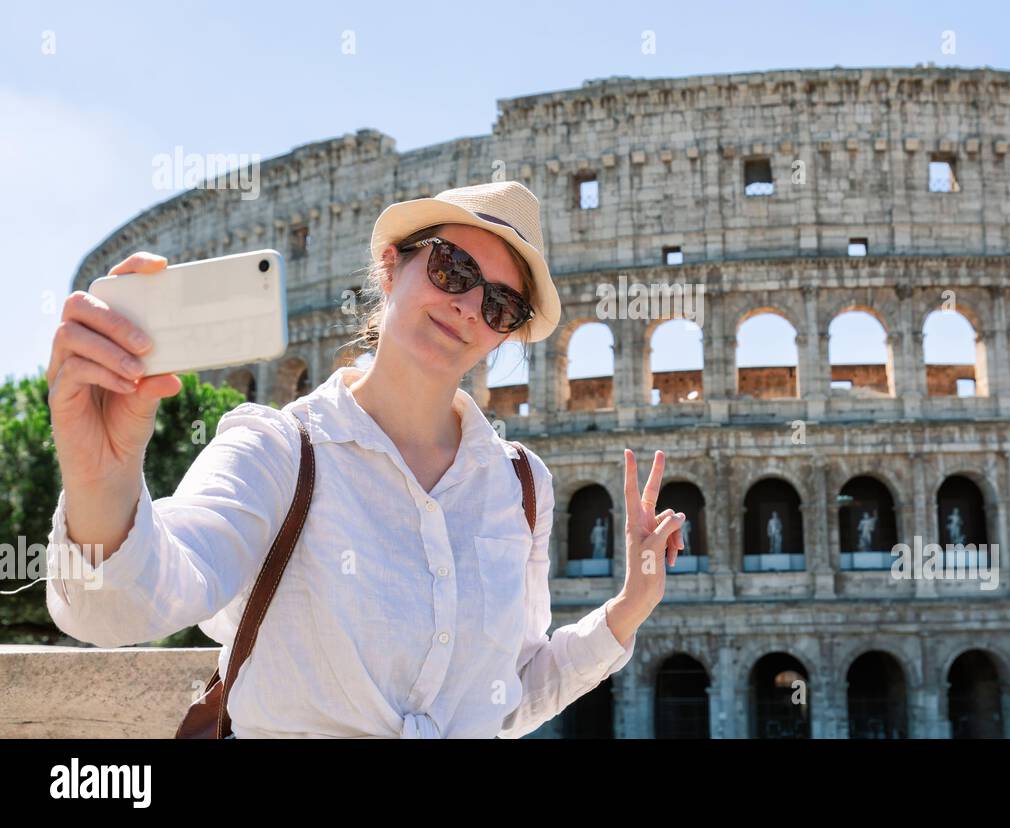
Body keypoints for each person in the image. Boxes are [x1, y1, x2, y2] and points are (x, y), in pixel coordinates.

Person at [44, 180, 684, 738]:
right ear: (389, 266)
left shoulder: (522, 486)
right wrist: (103, 475)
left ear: (506, 332)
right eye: (452, 269)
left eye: (499, 305)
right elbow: (123, 607)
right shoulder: (278, 449)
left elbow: (509, 701)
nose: (467, 306)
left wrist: (631, 603)